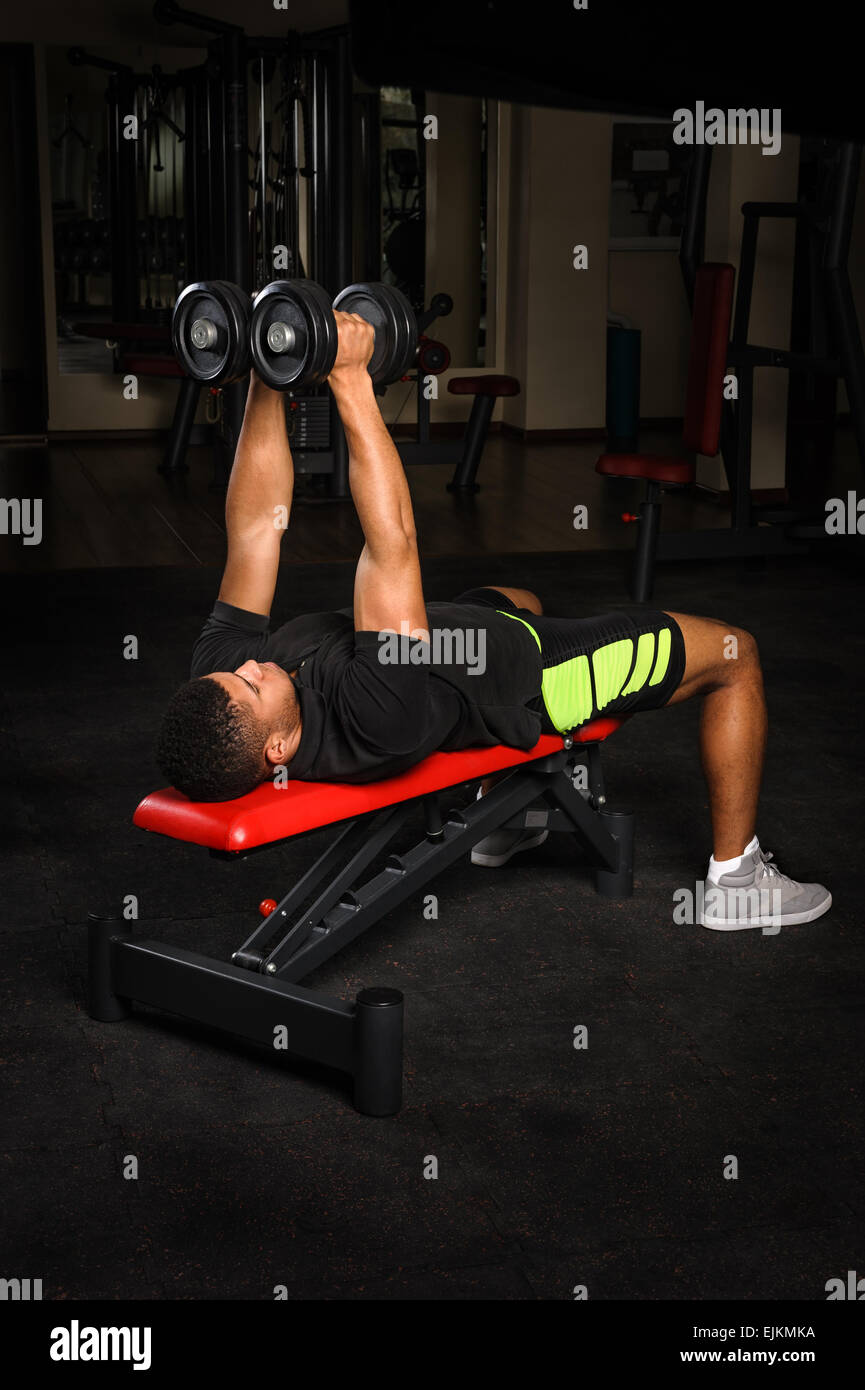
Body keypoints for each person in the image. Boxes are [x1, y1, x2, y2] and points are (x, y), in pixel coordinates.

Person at [156, 310, 831, 932]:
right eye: (250, 685)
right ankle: (736, 881)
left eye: (233, 673)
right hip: (541, 678)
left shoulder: (220, 691)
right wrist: (351, 380)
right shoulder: (372, 713)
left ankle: (515, 818)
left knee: (517, 595)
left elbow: (254, 531)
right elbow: (390, 543)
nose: (245, 667)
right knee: (736, 654)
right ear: (278, 750)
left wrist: (264, 377)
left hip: (463, 650)